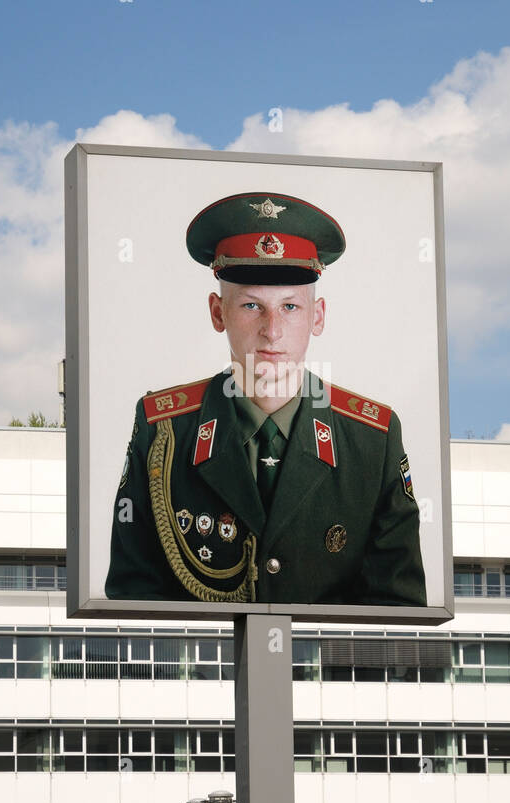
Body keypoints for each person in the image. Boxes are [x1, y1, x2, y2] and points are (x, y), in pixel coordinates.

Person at [105, 191, 425, 605]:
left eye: (290, 307)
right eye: (252, 305)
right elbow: (133, 604)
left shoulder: (372, 439)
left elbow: (397, 616)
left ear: (319, 316)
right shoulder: (163, 430)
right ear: (218, 313)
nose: (272, 331)